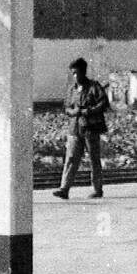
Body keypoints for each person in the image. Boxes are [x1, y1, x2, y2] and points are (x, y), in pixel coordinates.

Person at [52, 56, 109, 200]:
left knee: (94, 160)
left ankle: (97, 189)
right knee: (70, 159)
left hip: (91, 129)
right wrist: (73, 112)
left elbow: (103, 103)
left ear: (83, 72)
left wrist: (88, 111)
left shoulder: (94, 87)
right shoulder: (72, 89)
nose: (75, 76)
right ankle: (64, 189)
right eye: (73, 73)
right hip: (75, 129)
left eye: (77, 73)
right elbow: (67, 107)